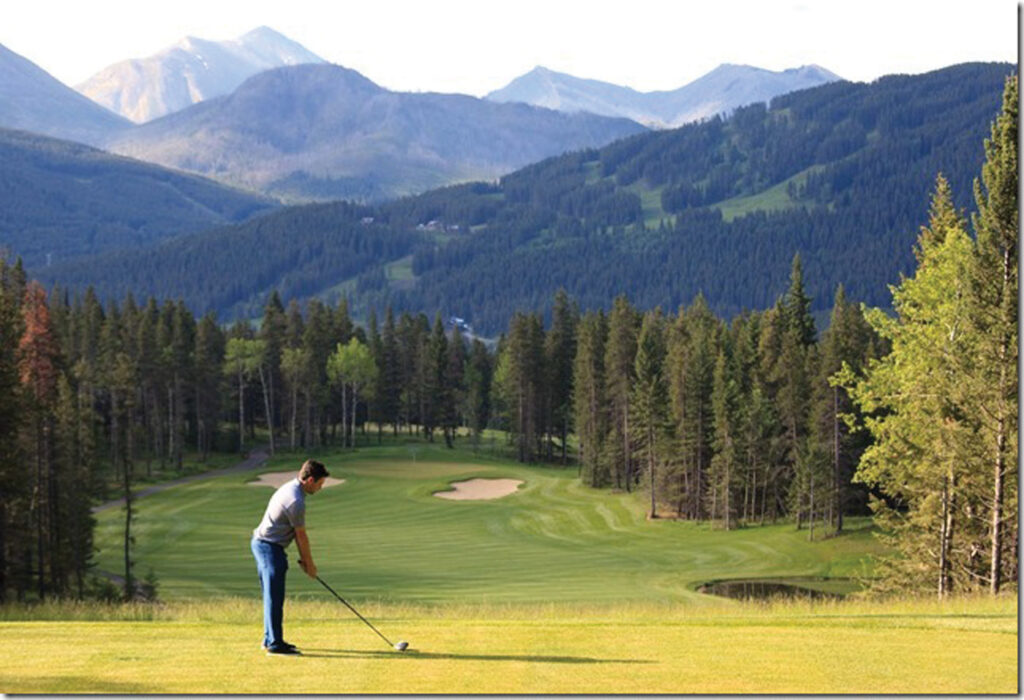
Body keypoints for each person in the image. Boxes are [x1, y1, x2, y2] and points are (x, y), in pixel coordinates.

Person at [251, 458, 329, 655]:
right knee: (274, 595)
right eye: (320, 484)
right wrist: (310, 565)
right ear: (310, 480)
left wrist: (306, 561)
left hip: (264, 544)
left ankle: (269, 639)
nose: (320, 488)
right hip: (269, 547)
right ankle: (275, 644)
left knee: (272, 595)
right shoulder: (297, 501)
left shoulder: (291, 488)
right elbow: (301, 536)